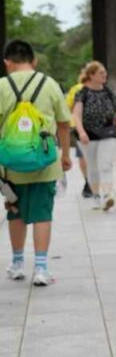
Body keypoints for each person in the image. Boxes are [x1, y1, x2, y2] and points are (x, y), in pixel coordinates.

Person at [0, 38, 72, 286]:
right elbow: (64, 122)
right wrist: (65, 155)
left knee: (15, 212)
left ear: (7, 63)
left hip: (10, 165)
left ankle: (18, 263)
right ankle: (41, 267)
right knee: (42, 213)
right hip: (44, 162)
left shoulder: (1, 86)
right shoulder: (49, 84)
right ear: (34, 60)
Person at [72, 61, 116, 211]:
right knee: (92, 167)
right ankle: (96, 196)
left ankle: (107, 196)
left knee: (106, 165)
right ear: (91, 75)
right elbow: (76, 115)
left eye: (105, 72)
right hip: (88, 136)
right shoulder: (82, 93)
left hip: (108, 133)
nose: (105, 75)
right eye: (101, 73)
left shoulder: (108, 92)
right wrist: (81, 132)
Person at [66, 69, 92, 197]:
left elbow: (68, 107)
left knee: (82, 155)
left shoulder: (75, 89)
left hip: (78, 126)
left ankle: (88, 181)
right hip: (97, 128)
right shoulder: (100, 88)